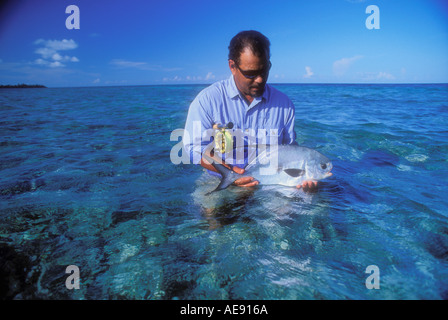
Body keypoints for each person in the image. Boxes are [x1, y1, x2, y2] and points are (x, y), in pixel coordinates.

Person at [183, 30, 318, 193]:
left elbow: (290, 151)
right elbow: (192, 148)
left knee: (305, 211)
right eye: (250, 74)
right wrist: (230, 172)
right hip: (218, 179)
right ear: (232, 66)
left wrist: (303, 177)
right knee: (211, 217)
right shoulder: (207, 100)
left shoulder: (285, 105)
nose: (259, 79)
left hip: (272, 181)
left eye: (264, 70)